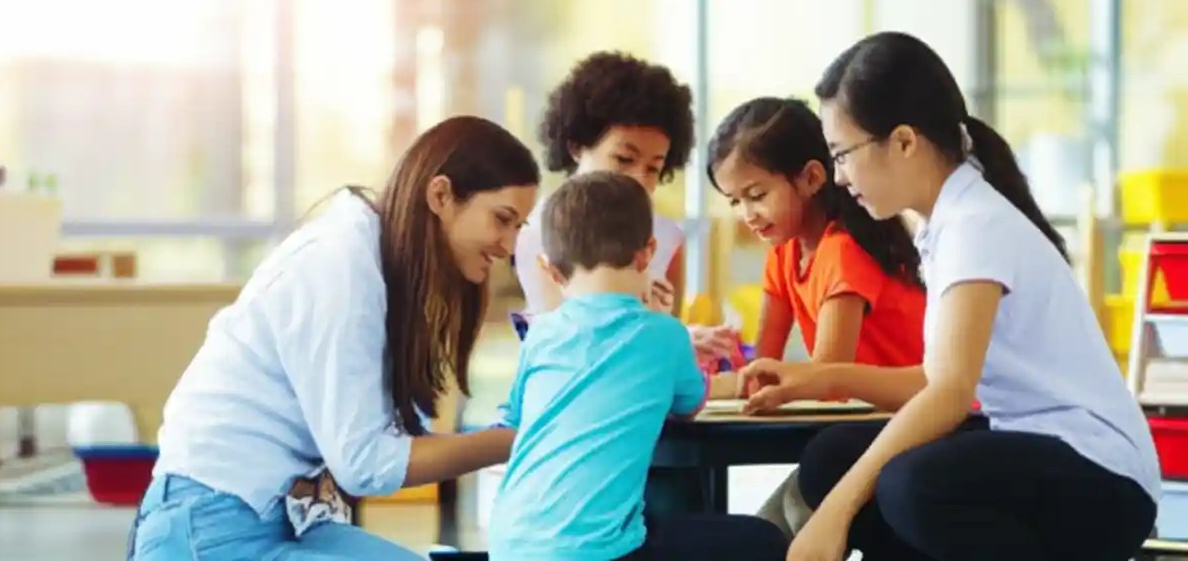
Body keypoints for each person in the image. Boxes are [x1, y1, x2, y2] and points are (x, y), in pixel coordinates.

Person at [739, 31, 1159, 561]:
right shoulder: (948, 222)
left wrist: (833, 515)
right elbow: (936, 379)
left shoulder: (975, 223)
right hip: (1035, 447)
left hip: (1102, 478)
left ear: (905, 141)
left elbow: (949, 394)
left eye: (843, 154)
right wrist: (816, 377)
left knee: (911, 485)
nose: (840, 178)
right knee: (834, 458)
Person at [127, 116, 540, 560]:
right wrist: (516, 439)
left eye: (519, 227)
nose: (510, 245)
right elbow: (365, 464)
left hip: (287, 520)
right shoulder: (340, 266)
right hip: (209, 526)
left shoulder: (376, 266)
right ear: (440, 195)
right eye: (503, 220)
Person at [489, 171, 788, 561]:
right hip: (600, 552)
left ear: (552, 270)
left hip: (509, 543)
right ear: (648, 252)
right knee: (762, 540)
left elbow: (513, 416)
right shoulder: (664, 335)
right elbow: (690, 402)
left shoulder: (541, 335)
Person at [707, 96, 926, 538]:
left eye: (757, 195)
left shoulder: (843, 251)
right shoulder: (784, 253)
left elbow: (825, 378)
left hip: (908, 419)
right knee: (764, 532)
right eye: (735, 202)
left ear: (810, 178)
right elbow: (763, 367)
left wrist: (705, 388)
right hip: (863, 423)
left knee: (777, 527)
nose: (748, 215)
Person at [513, 50, 734, 358]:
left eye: (654, 167)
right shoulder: (541, 233)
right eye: (624, 159)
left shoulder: (667, 240)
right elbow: (567, 347)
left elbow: (663, 355)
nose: (638, 179)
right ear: (577, 146)